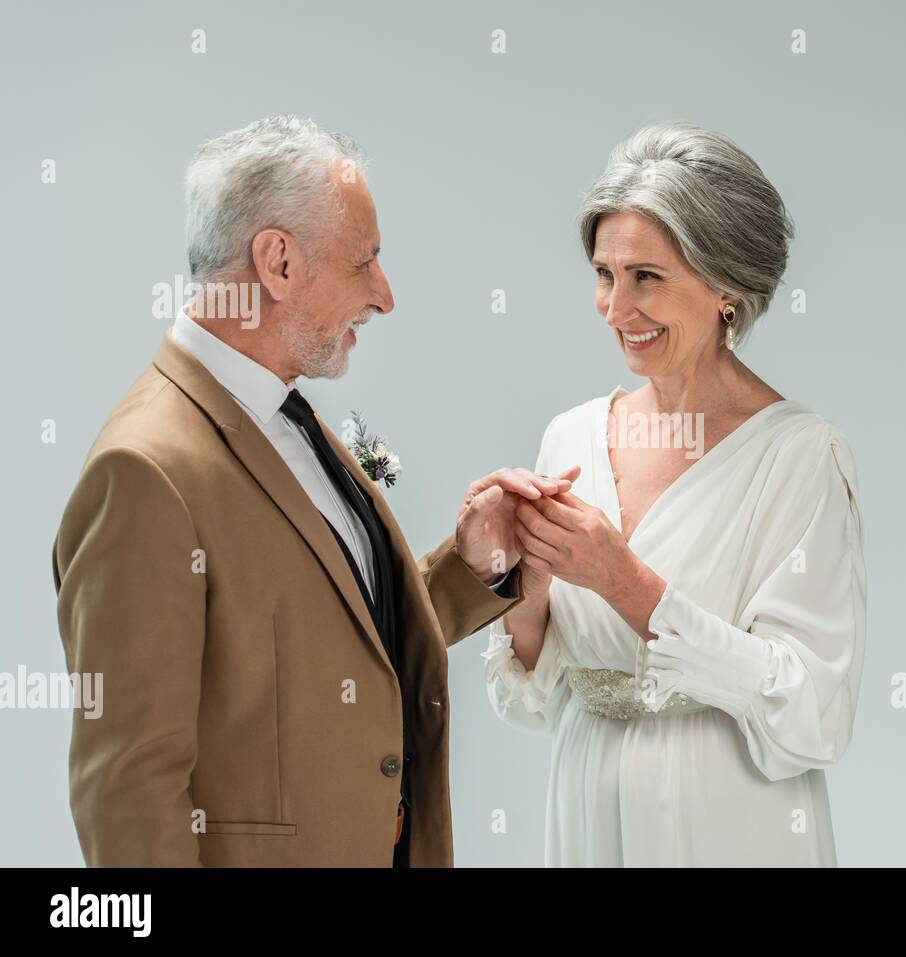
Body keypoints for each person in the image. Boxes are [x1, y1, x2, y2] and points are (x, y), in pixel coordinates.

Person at [52, 115, 570, 866]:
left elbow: (330, 633)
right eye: (364, 263)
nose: (384, 296)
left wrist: (475, 566)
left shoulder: (283, 412)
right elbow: (126, 789)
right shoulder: (144, 472)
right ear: (279, 262)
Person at [483, 122, 867, 866]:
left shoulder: (798, 456)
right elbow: (532, 701)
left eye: (647, 276)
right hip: (587, 806)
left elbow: (815, 713)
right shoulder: (569, 438)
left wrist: (627, 585)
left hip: (732, 820)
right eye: (604, 273)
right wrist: (519, 584)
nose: (615, 307)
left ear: (727, 285)